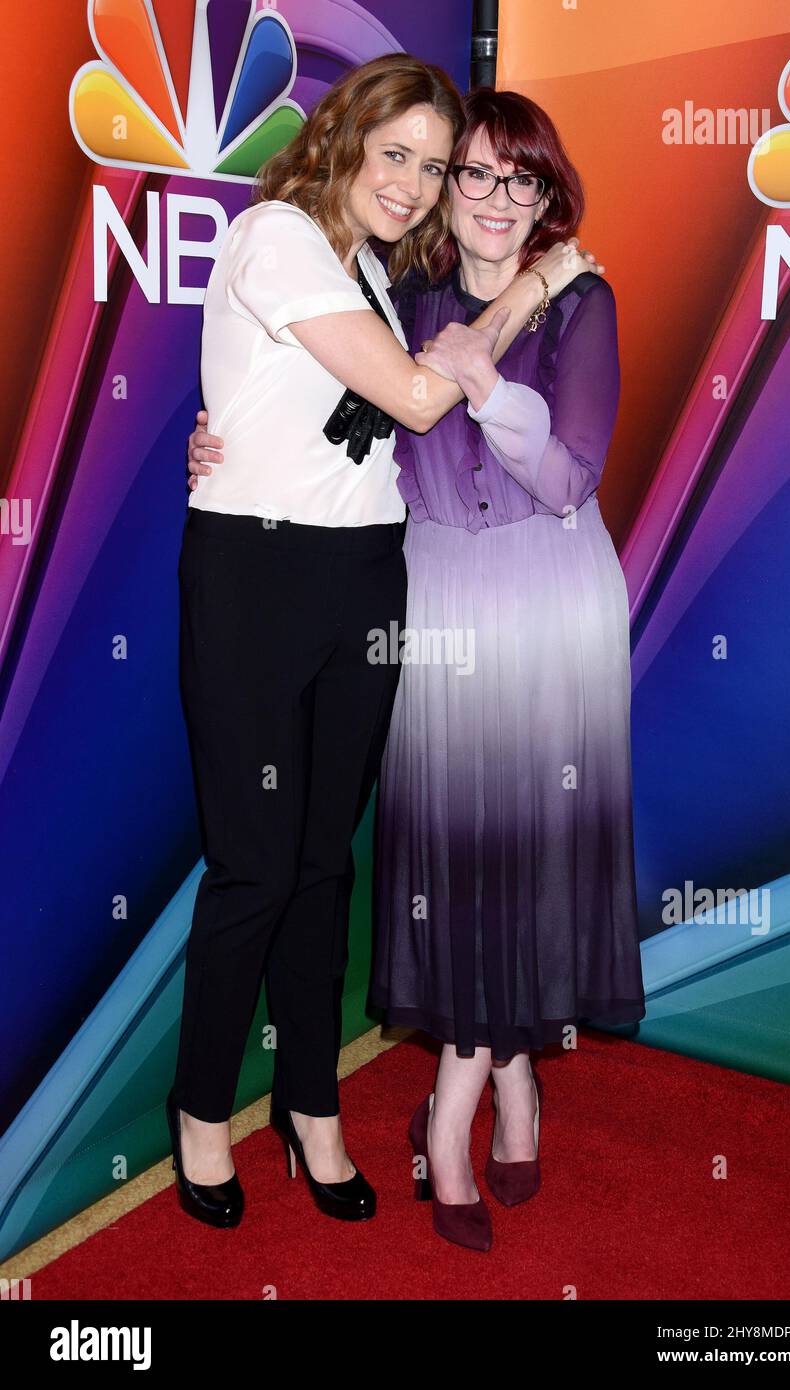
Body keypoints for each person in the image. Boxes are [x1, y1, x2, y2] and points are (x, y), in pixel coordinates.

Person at [174, 57, 592, 1231]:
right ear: (343, 139)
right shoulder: (274, 237)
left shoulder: (364, 261)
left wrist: (217, 436)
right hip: (257, 574)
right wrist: (539, 284)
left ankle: (310, 1105)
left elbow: (304, 415)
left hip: (364, 574)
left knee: (323, 866)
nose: (412, 185)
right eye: (395, 153)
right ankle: (201, 1110)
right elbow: (416, 399)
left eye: (432, 163)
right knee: (254, 865)